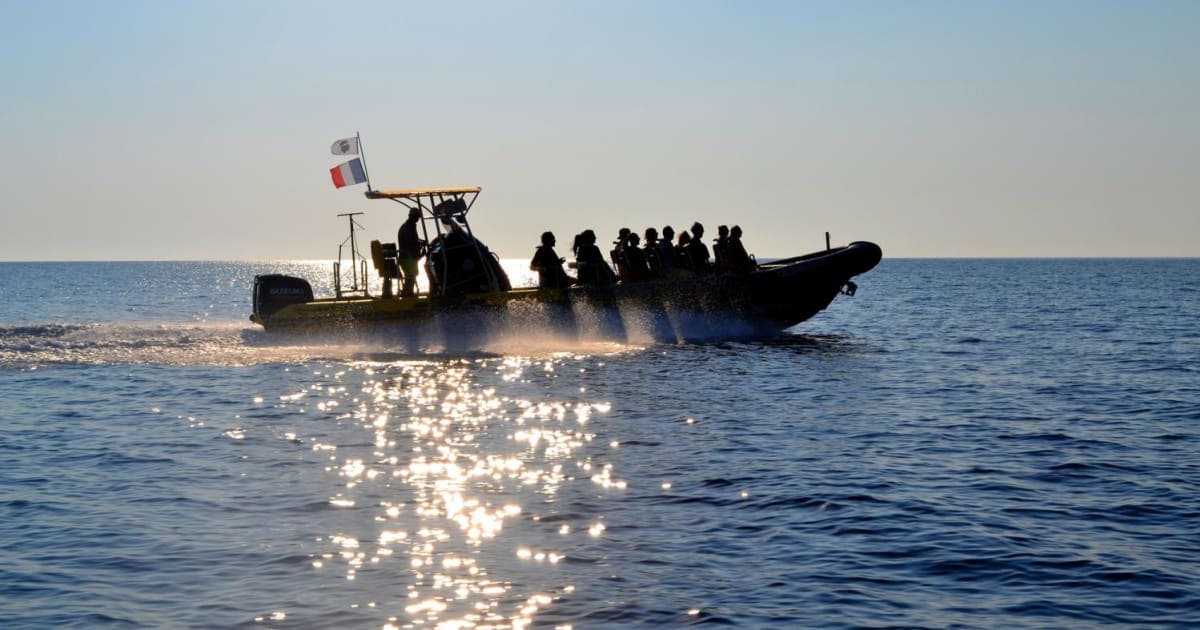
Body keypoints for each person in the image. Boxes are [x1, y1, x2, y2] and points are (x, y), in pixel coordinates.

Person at [396, 207, 424, 297]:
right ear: (412, 216)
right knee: (410, 276)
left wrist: (419, 242)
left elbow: (412, 240)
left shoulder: (410, 226)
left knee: (411, 276)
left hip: (409, 257)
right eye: (416, 217)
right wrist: (418, 244)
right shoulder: (408, 227)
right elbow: (410, 241)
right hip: (407, 257)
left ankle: (407, 292)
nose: (417, 219)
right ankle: (407, 294)